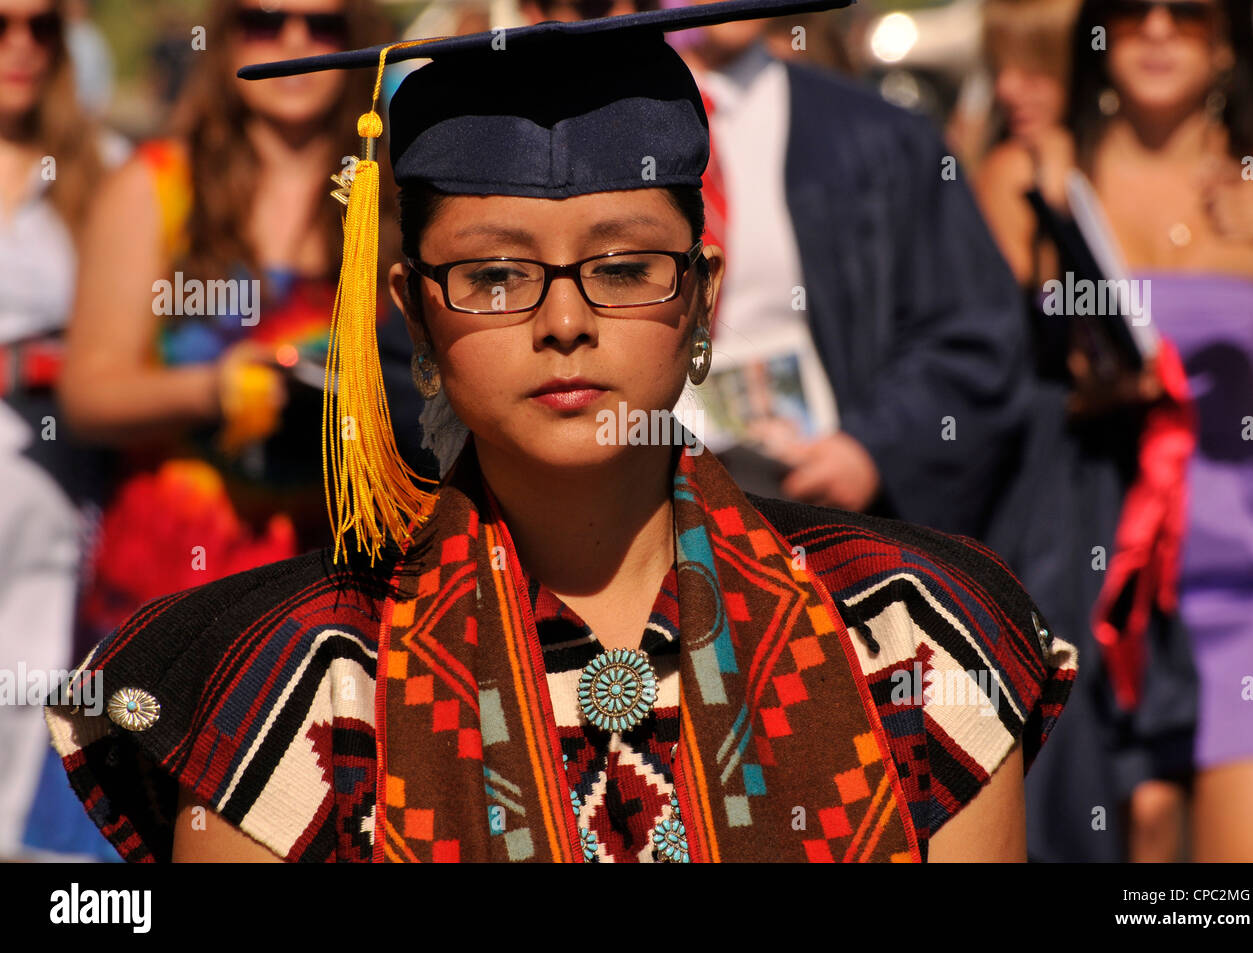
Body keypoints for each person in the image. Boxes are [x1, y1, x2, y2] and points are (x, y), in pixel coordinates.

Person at [45, 0, 1078, 864]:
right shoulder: (288, 693)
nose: (566, 320)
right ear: (413, 315)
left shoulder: (918, 645)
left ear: (704, 298)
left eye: (625, 267)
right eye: (494, 275)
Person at [987, 0, 1253, 863]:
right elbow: (986, 369)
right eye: (1130, 12)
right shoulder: (1034, 170)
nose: (1158, 31)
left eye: (1190, 12)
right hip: (1090, 574)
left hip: (1248, 583)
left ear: (1229, 39)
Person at [57, 0, 402, 652]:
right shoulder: (154, 187)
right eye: (265, 21)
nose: (295, 41)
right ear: (226, 38)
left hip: (337, 591)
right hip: (167, 595)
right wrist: (212, 391)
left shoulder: (394, 195)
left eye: (322, 24)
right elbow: (86, 395)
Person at [652, 3, 1034, 542]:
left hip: (813, 518)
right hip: (635, 514)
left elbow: (972, 335)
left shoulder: (881, 139)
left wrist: (874, 448)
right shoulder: (590, 137)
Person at [975, 0, 1201, 863]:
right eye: (1002, 68)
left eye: (1036, 67)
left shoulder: (1096, 165)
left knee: (1139, 774)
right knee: (1068, 730)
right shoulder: (1011, 168)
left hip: (1119, 481)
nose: (1012, 88)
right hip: (1048, 483)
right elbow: (1024, 348)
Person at [0, 0, 127, 860]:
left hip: (53, 513)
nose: (22, 48)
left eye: (41, 27)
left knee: (34, 728)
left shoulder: (105, 170)